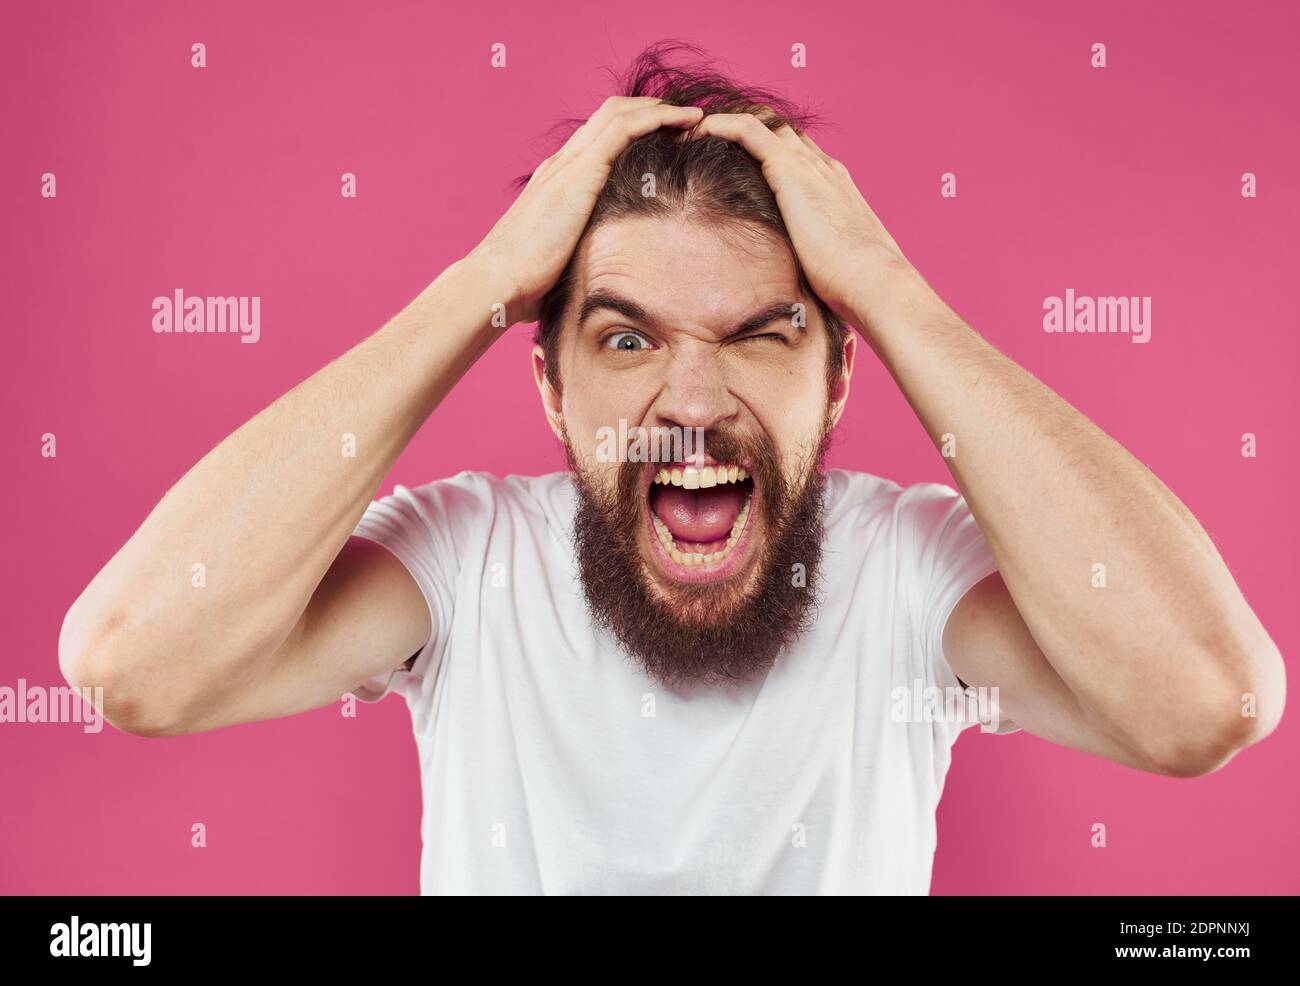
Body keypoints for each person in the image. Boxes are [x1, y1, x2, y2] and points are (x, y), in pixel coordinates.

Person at [59, 43, 1285, 894]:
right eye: (626, 338)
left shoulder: (907, 576)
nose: (692, 405)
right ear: (548, 383)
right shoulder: (470, 562)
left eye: (761, 334)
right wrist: (486, 284)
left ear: (840, 378)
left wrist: (896, 296)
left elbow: (1209, 702)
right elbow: (130, 663)